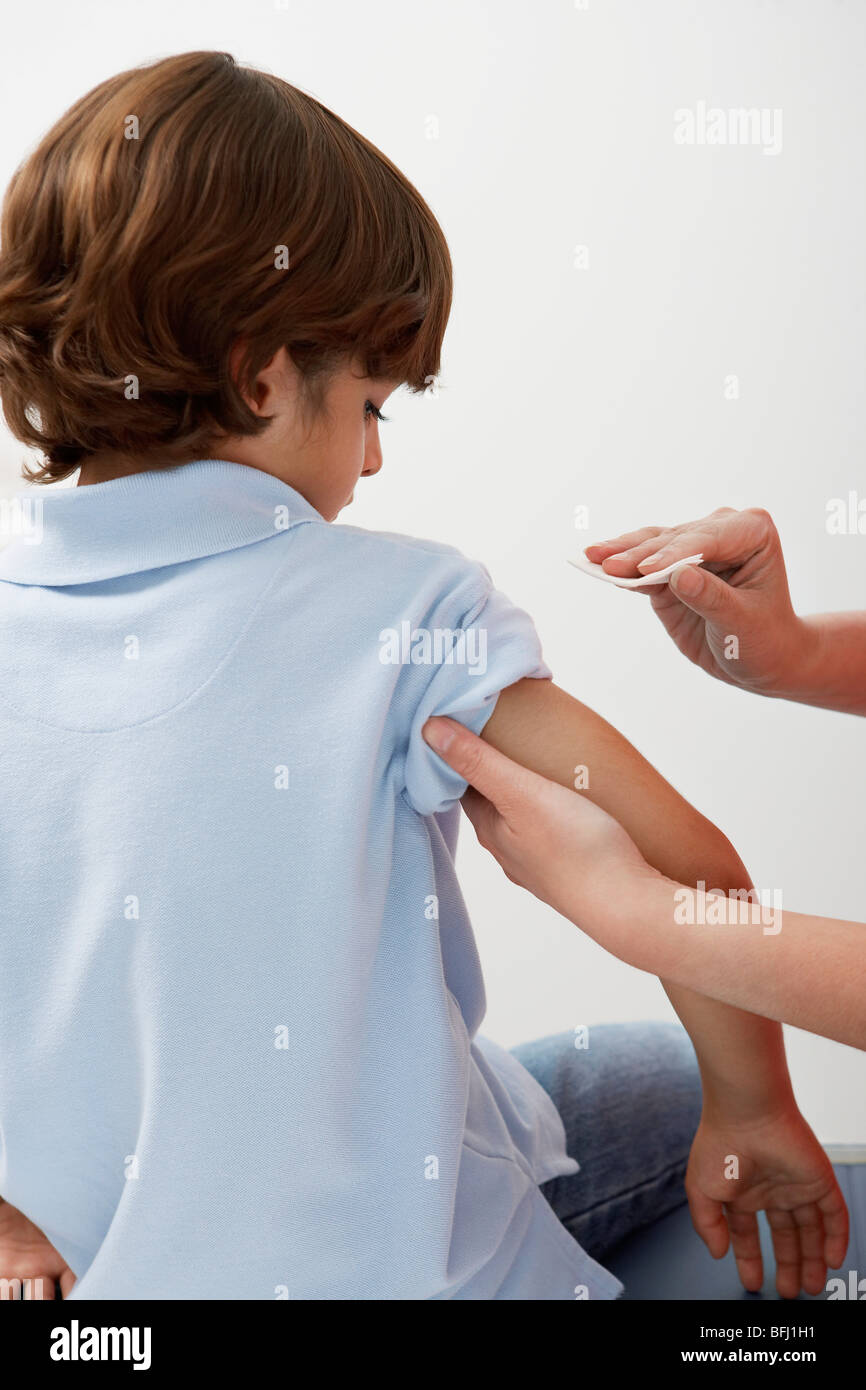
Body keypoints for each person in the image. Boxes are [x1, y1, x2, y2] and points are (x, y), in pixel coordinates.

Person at [0, 54, 844, 1303]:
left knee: (622, 1081)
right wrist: (754, 1109)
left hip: (114, 1271)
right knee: (684, 1084)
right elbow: (687, 863)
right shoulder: (400, 612)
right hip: (411, 1270)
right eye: (374, 405)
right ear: (262, 374)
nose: (376, 460)